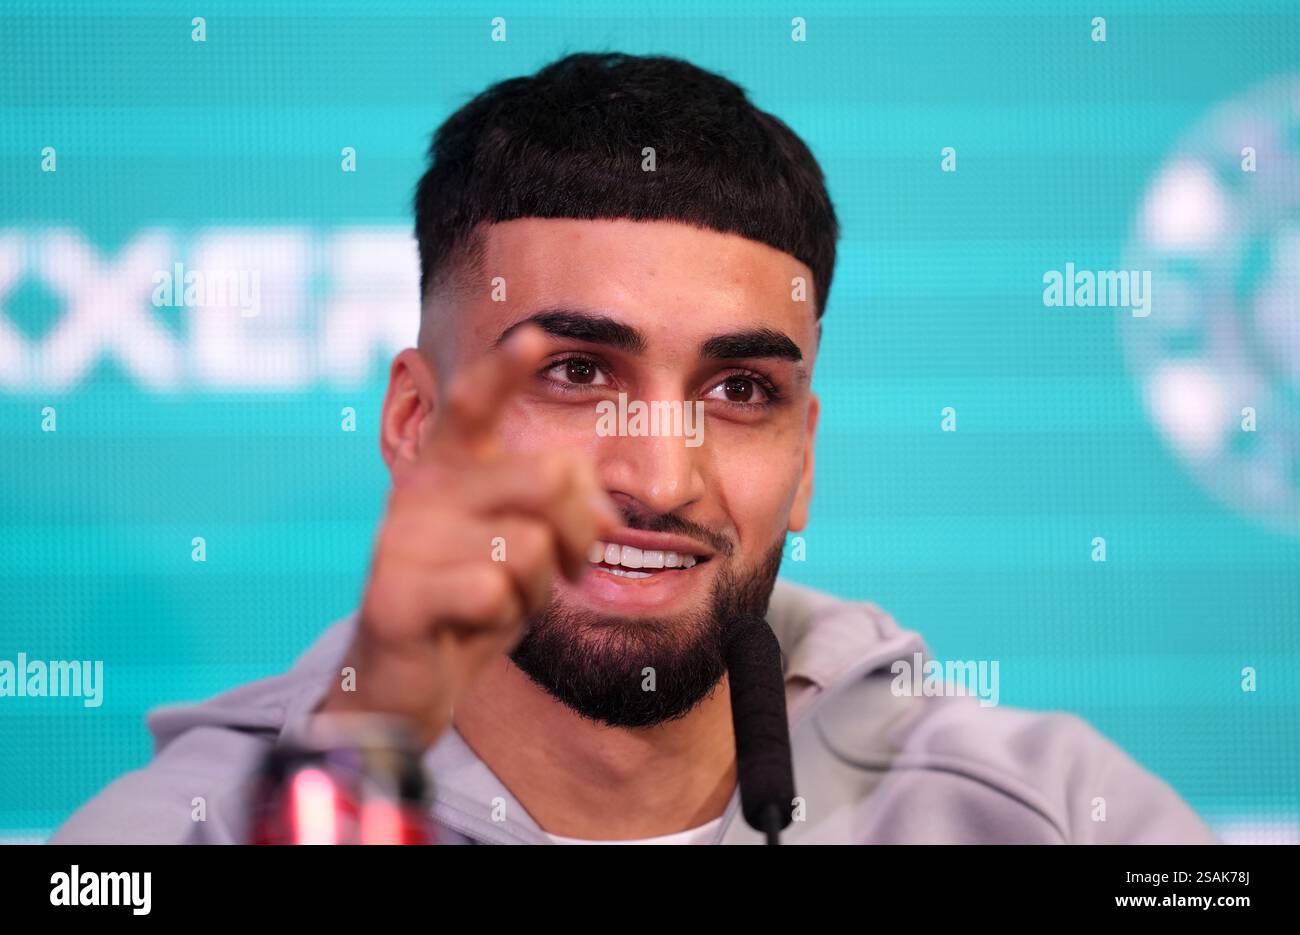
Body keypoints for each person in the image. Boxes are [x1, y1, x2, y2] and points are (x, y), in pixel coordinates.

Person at [53, 52, 1214, 845]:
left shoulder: (1055, 811)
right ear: (414, 421)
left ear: (805, 457)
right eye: (574, 372)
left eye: (740, 388)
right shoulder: (162, 839)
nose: (660, 478)